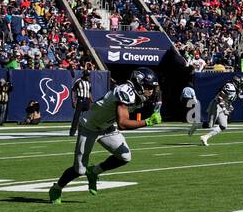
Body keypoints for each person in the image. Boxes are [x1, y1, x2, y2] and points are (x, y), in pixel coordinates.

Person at [49, 68, 161, 204]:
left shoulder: (138, 93)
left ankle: (94, 171)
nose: (151, 90)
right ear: (139, 83)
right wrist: (147, 122)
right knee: (79, 170)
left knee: (125, 157)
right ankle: (57, 188)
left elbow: (156, 95)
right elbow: (123, 123)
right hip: (89, 126)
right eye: (149, 86)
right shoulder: (125, 92)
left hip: (106, 126)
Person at [70, 70, 92, 135]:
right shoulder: (78, 81)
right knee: (76, 116)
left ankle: (87, 131)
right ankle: (72, 132)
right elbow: (73, 91)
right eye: (87, 75)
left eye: (88, 75)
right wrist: (73, 100)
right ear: (84, 75)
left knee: (88, 117)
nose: (88, 77)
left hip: (87, 100)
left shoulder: (89, 82)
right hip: (80, 100)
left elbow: (89, 92)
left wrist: (91, 101)